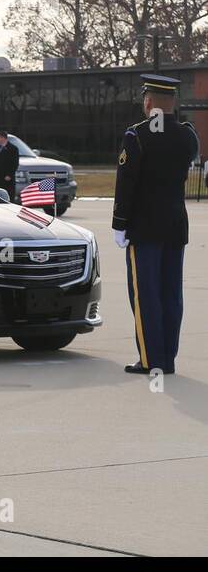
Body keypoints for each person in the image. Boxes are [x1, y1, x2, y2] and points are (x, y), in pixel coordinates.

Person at [113, 74, 198, 375]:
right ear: (172, 102)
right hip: (175, 225)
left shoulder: (136, 136)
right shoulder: (187, 135)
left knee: (146, 294)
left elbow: (127, 184)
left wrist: (119, 223)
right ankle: (168, 358)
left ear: (148, 102)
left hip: (145, 227)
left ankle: (152, 360)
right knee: (170, 294)